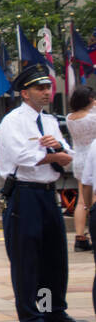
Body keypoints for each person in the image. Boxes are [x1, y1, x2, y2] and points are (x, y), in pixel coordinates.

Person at [0, 63, 91, 322]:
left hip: (48, 192)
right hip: (24, 193)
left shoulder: (49, 121)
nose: (47, 92)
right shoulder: (13, 121)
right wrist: (53, 155)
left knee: (53, 257)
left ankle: (52, 310)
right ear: (25, 93)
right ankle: (31, 316)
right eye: (40, 88)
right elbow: (21, 157)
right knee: (27, 258)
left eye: (48, 87)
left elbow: (70, 153)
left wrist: (58, 149)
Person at [65, 86, 96, 252]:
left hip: (79, 158)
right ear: (89, 99)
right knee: (95, 197)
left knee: (82, 200)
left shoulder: (70, 117)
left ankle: (80, 237)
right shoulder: (92, 118)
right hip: (93, 157)